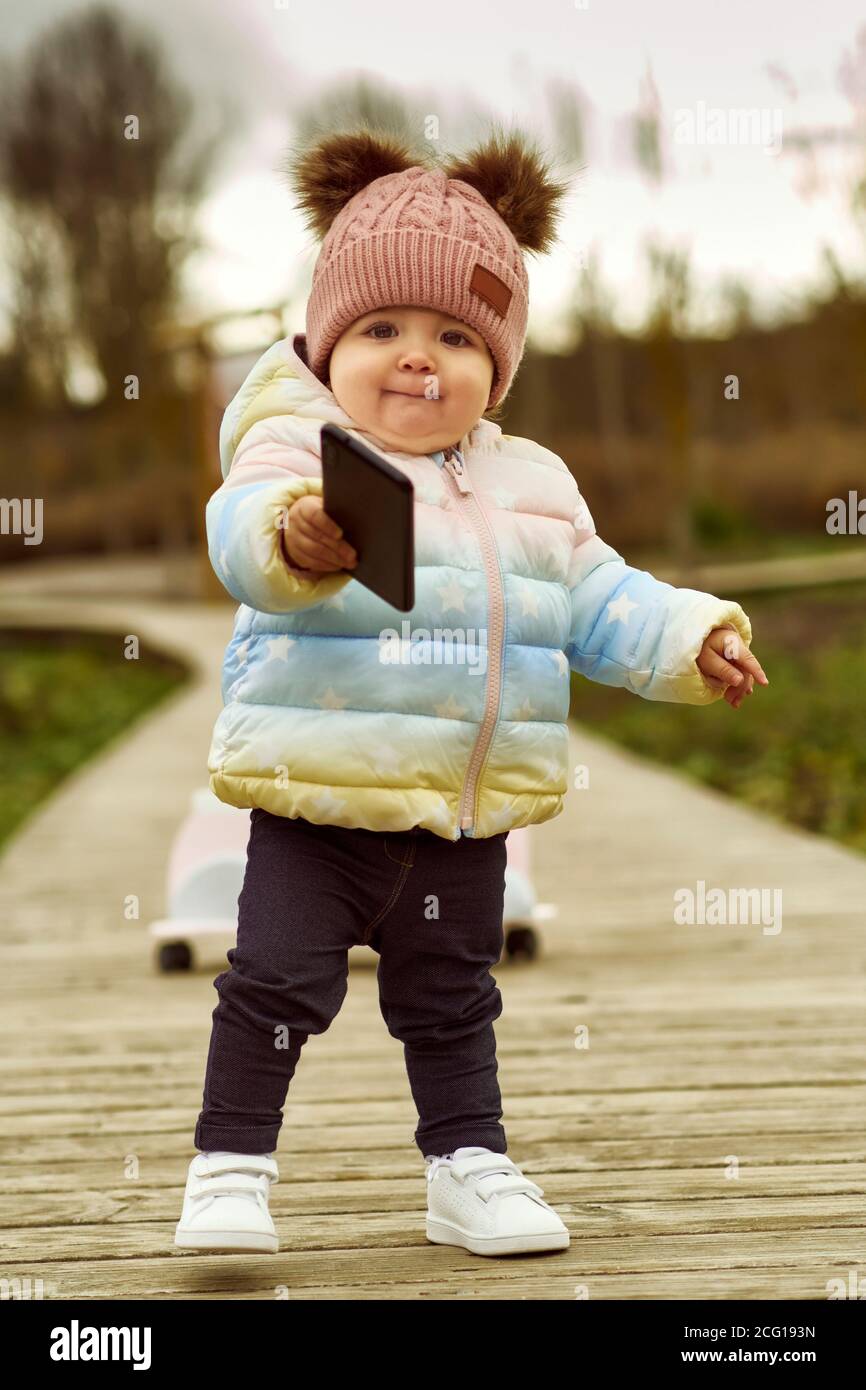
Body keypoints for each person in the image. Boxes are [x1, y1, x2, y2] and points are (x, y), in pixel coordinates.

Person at [175, 126, 768, 1259]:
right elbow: (241, 540)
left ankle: (467, 1165)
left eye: (454, 335)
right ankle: (230, 1167)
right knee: (275, 986)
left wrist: (687, 635)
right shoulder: (298, 448)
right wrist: (299, 538)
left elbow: (595, 595)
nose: (416, 356)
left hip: (462, 811)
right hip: (319, 800)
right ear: (328, 338)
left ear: (495, 365)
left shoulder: (531, 483)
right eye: (382, 328)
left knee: (452, 1004)